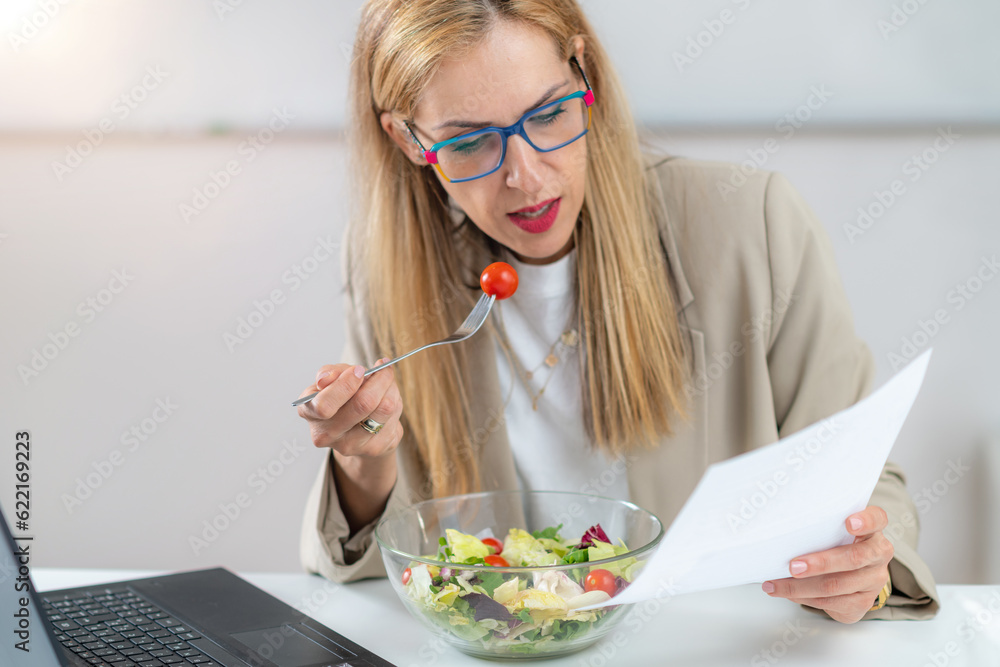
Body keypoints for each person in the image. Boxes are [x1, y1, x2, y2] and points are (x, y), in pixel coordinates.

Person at [297, 0, 938, 623]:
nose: (526, 175)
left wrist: (866, 572)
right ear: (409, 140)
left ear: (586, 73)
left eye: (548, 114)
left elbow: (863, 480)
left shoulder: (751, 224)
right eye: (470, 143)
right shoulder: (388, 267)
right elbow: (375, 568)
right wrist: (364, 457)